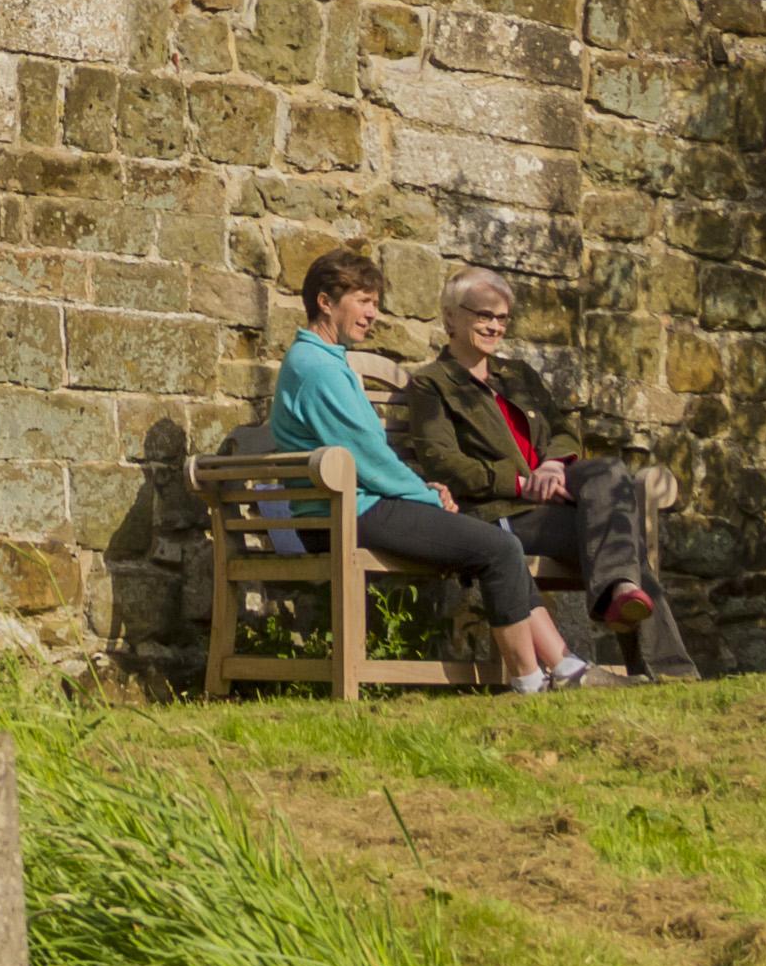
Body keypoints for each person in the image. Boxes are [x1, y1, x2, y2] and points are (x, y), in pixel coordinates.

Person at [267, 249, 591, 693]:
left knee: (495, 544)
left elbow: (367, 455)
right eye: (363, 301)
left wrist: (422, 489)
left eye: (374, 302)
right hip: (345, 513)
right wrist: (425, 495)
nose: (372, 314)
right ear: (325, 302)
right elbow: (367, 457)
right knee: (497, 548)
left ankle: (564, 665)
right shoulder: (316, 368)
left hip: (358, 505)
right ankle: (530, 682)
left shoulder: (325, 360)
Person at [389, 267, 699, 681]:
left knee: (609, 471)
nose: (494, 326)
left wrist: (553, 465)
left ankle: (617, 591)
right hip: (501, 511)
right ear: (450, 318)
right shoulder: (432, 385)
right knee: (622, 539)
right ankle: (669, 668)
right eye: (483, 315)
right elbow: (443, 461)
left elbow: (565, 431)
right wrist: (520, 482)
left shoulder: (518, 375)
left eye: (502, 318)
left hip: (551, 490)